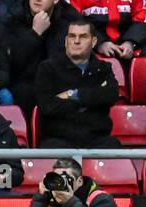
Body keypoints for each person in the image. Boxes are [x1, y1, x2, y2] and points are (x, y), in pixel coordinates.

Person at [34, 18, 120, 148]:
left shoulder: (103, 68)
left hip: (97, 140)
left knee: (114, 146)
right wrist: (93, 98)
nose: (76, 41)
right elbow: (48, 106)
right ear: (65, 40)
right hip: (59, 140)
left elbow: (111, 95)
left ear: (94, 42)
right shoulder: (47, 68)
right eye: (72, 36)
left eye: (83, 36)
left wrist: (73, 95)